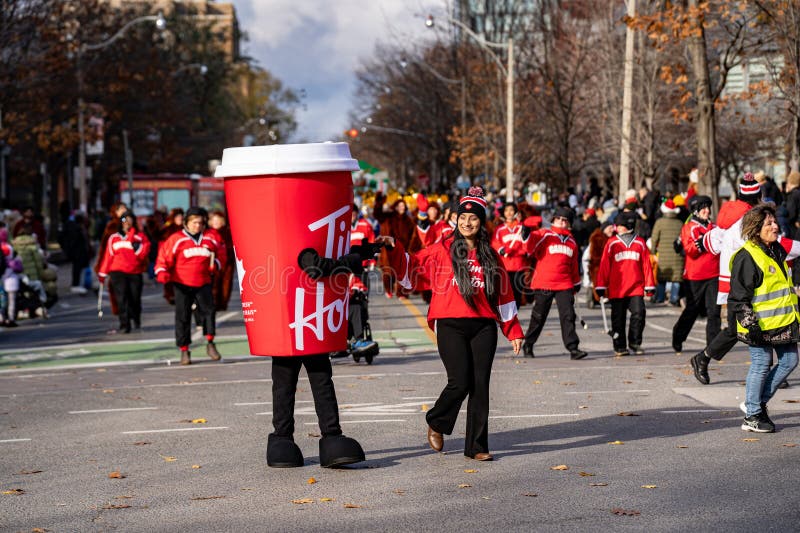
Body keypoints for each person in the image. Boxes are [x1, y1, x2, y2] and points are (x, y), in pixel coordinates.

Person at [384, 187, 523, 461]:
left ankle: (477, 447)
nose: (467, 223)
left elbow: (504, 294)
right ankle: (437, 421)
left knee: (480, 385)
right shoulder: (442, 249)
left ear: (481, 222)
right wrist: (394, 247)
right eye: (463, 218)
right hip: (449, 323)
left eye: (473, 218)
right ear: (456, 220)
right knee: (460, 381)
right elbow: (411, 266)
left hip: (483, 325)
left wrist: (513, 330)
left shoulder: (491, 255)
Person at [690, 173, 800, 384]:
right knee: (744, 326)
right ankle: (704, 358)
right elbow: (776, 244)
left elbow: (714, 240)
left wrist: (703, 241)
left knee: (751, 324)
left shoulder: (731, 217)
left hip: (737, 281)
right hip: (744, 283)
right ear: (758, 196)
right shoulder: (752, 219)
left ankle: (704, 359)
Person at [729, 204, 798, 432]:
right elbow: (738, 297)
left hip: (782, 322)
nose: (775, 226)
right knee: (761, 364)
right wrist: (750, 324)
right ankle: (752, 415)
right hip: (758, 324)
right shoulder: (746, 257)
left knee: (790, 360)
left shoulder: (776, 250)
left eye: (775, 222)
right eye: (769, 223)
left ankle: (755, 404)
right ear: (755, 228)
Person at [154, 207, 223, 365]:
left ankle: (210, 342)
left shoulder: (210, 238)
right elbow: (163, 257)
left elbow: (222, 254)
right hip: (182, 283)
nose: (197, 226)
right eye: (193, 222)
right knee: (183, 316)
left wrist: (216, 264)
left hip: (203, 282)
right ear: (186, 223)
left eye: (200, 223)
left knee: (209, 312)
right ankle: (184, 349)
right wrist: (162, 271)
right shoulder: (176, 239)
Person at [520, 206, 586, 359]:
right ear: (553, 220)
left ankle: (573, 348)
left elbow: (573, 265)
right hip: (544, 282)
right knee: (539, 316)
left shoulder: (572, 241)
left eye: (565, 220)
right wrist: (526, 231)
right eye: (558, 219)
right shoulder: (545, 234)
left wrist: (576, 282)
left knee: (568, 315)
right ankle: (528, 343)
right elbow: (529, 246)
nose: (561, 222)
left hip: (564, 283)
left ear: (569, 224)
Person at [595, 211, 656, 356]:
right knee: (618, 318)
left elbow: (646, 265)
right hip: (617, 288)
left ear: (626, 226)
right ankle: (620, 346)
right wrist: (601, 285)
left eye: (618, 225)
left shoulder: (640, 243)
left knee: (639, 313)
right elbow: (604, 266)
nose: (615, 227)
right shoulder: (612, 243)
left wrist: (649, 285)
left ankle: (635, 342)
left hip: (636, 287)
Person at [672, 195, 720, 354]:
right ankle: (678, 335)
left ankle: (713, 347)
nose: (707, 211)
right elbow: (691, 250)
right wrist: (705, 241)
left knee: (714, 311)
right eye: (703, 208)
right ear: (695, 211)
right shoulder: (689, 227)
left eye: (708, 207)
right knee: (692, 310)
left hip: (714, 274)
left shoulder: (714, 227)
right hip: (695, 276)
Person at [96, 211, 149, 333]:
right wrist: (103, 273)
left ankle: (136, 318)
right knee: (121, 298)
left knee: (135, 298)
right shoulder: (113, 238)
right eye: (124, 220)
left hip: (134, 271)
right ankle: (124, 324)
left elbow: (143, 252)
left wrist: (135, 245)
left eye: (130, 220)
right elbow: (108, 256)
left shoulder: (139, 237)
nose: (127, 222)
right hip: (117, 272)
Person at [491, 201, 532, 309]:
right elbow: (495, 243)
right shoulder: (500, 229)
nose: (509, 213)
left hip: (519, 265)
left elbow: (527, 246)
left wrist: (518, 251)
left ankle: (515, 313)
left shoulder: (522, 228)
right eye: (506, 210)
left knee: (517, 293)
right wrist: (502, 250)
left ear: (516, 212)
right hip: (504, 266)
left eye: (511, 210)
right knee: (504, 292)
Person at [650, 199, 684, 306]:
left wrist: (653, 252)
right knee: (676, 278)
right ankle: (674, 298)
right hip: (677, 255)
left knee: (662, 277)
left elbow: (654, 239)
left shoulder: (659, 222)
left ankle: (660, 298)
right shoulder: (680, 223)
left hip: (663, 255)